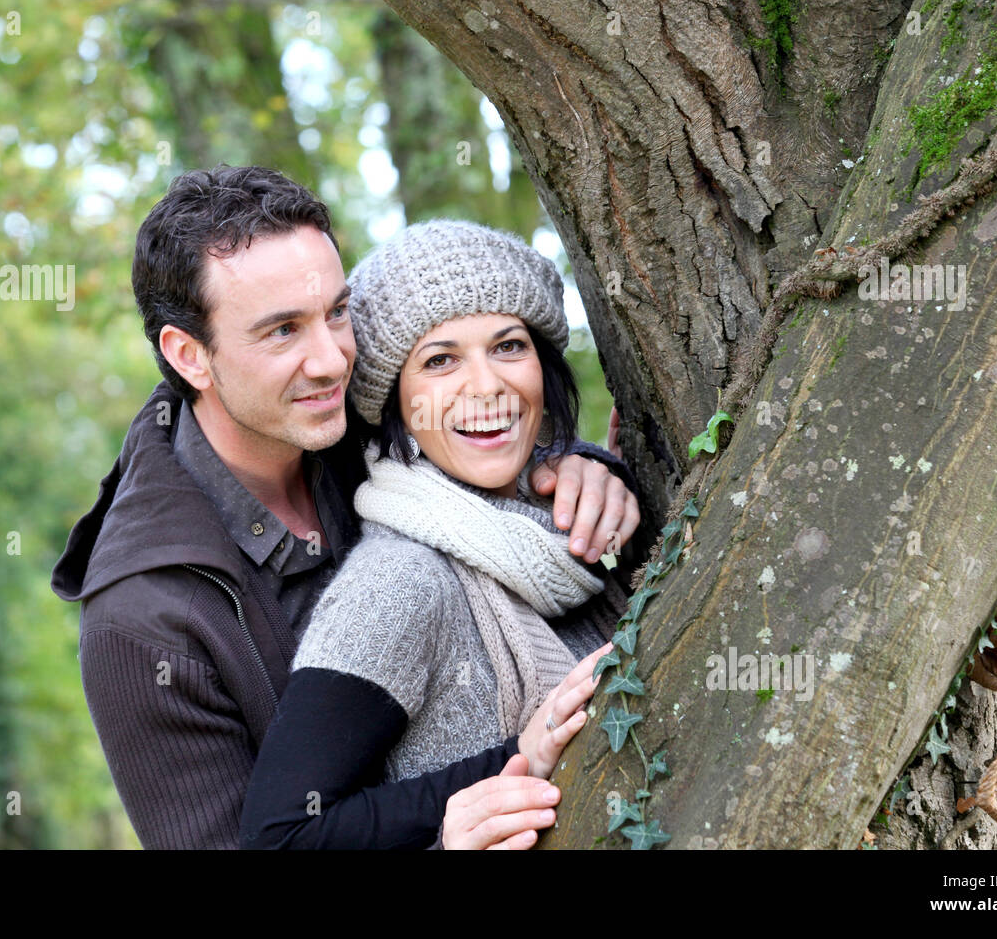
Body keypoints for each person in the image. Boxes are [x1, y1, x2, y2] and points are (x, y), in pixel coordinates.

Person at [50, 166, 643, 849]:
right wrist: (464, 806)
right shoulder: (143, 621)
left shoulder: (345, 414)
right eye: (283, 332)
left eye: (336, 313)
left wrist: (582, 469)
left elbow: (482, 423)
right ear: (190, 356)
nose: (332, 360)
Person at [239, 219, 635, 849]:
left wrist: (612, 471)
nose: (486, 386)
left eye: (509, 346)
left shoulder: (581, 518)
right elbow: (281, 836)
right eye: (440, 359)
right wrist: (514, 763)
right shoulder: (398, 582)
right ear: (392, 400)